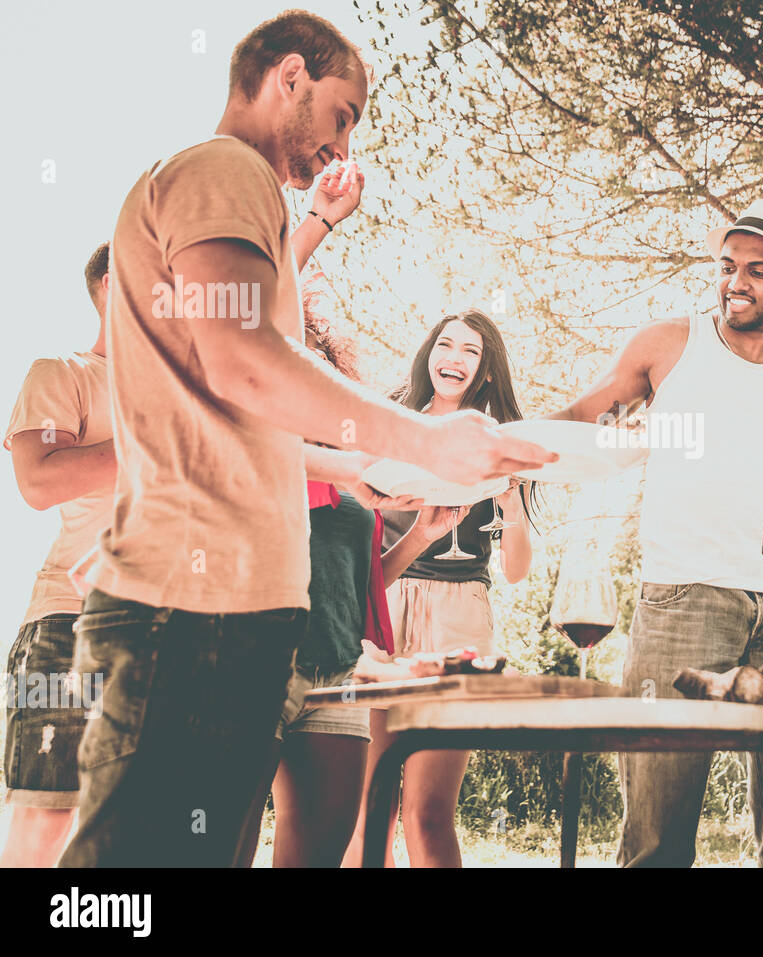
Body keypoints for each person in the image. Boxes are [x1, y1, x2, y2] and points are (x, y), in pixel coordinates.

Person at [59, 11, 552, 868]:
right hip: (193, 608)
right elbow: (247, 361)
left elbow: (239, 415)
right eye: (343, 113)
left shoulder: (230, 193)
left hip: (222, 605)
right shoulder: (226, 168)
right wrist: (428, 443)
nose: (342, 144)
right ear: (291, 76)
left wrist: (359, 469)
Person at [549, 199, 763, 867]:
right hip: (684, 599)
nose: (736, 281)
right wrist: (507, 450)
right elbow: (583, 415)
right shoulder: (669, 345)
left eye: (758, 270)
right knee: (658, 829)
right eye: (728, 265)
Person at [270, 295, 460, 868]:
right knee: (214, 844)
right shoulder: (251, 442)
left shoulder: (357, 463)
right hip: (257, 660)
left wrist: (423, 535)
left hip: (339, 672)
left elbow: (360, 582)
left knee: (318, 858)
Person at [343, 308, 535, 868]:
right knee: (368, 802)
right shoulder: (390, 425)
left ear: (487, 371)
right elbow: (358, 540)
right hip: (387, 606)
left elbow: (517, 570)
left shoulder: (498, 445)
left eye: (471, 351)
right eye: (446, 345)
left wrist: (512, 501)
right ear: (429, 353)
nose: (454, 358)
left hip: (460, 617)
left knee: (427, 812)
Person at [2, 243, 115, 867]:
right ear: (108, 287)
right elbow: (38, 482)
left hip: (164, 633)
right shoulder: (61, 372)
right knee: (44, 823)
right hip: (66, 624)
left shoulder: (187, 393)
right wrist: (155, 446)